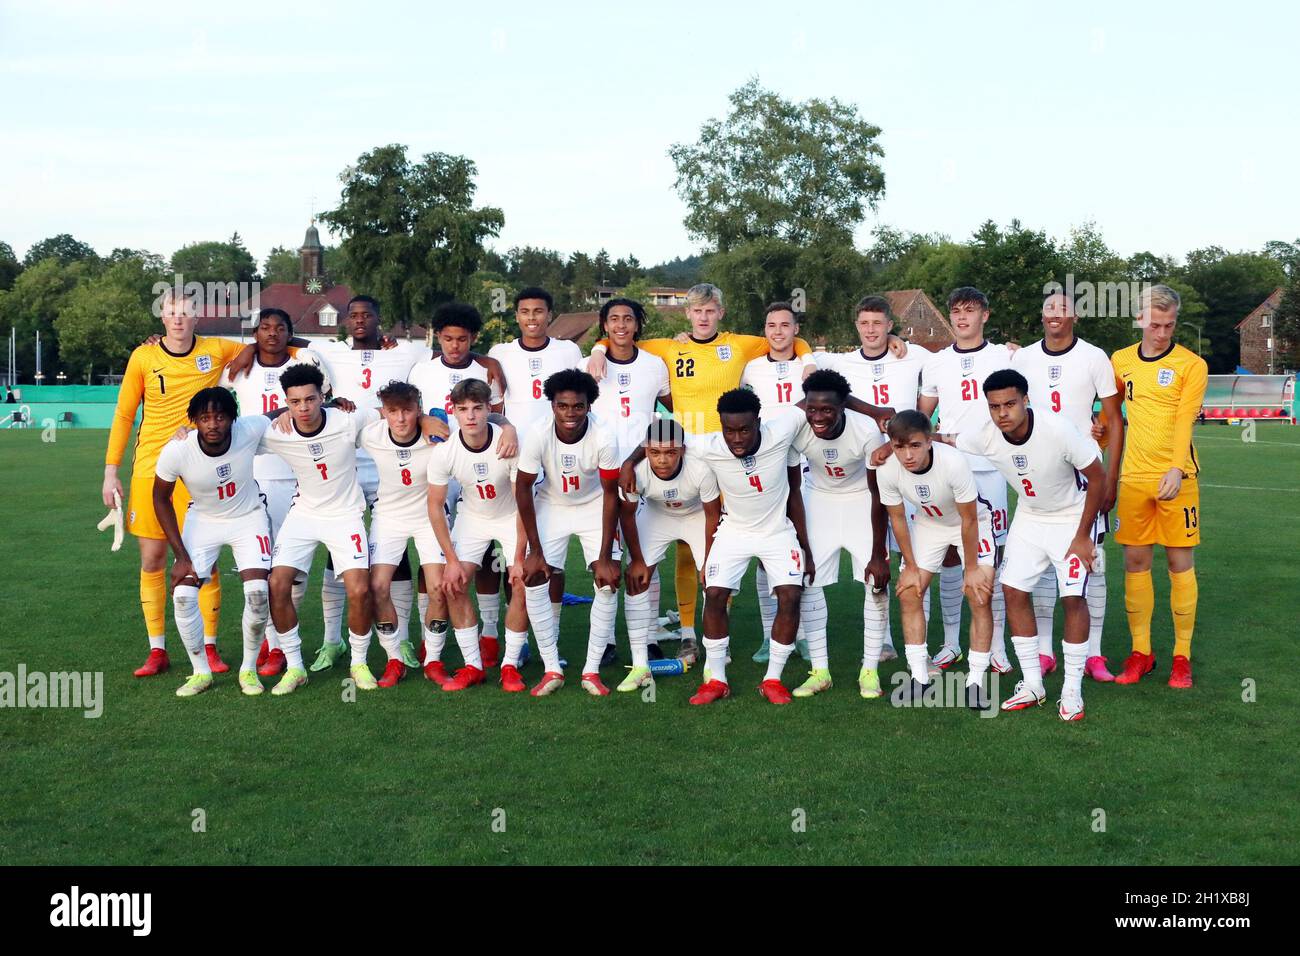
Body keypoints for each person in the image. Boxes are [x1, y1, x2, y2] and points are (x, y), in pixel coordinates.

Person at [587, 283, 895, 665]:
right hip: (689, 453)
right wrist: (598, 348)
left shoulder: (743, 345)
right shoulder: (666, 346)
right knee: (690, 550)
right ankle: (686, 635)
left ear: (721, 312)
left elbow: (787, 338)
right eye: (696, 311)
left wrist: (810, 358)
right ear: (687, 314)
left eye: (710, 310)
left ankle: (763, 636)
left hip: (746, 450)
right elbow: (622, 338)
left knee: (757, 540)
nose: (703, 317)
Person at [103, 290, 276, 677]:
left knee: (205, 562)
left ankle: (209, 646)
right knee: (153, 559)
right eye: (171, 312)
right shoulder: (144, 356)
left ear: (198, 317)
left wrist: (247, 350)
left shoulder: (215, 348)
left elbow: (271, 342)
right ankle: (157, 649)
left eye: (186, 312)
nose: (178, 319)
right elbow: (124, 413)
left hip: (199, 467)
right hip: (152, 467)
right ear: (161, 318)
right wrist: (110, 470)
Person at [942, 369, 1106, 719]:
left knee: (1073, 597)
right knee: (1013, 590)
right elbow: (946, 439)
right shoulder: (986, 436)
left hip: (1071, 517)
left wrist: (1082, 535)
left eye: (1010, 404)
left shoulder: (1057, 429)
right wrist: (890, 444)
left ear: (1026, 400)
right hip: (1031, 516)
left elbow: (1097, 478)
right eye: (994, 406)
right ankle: (1033, 682)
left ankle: (1072, 690)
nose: (1003, 413)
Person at [1011, 292, 1124, 681]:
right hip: (1040, 472)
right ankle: (1044, 651)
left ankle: (1093, 653)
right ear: (1041, 316)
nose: (1054, 315)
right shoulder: (1022, 358)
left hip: (1085, 473)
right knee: (1040, 565)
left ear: (1074, 315)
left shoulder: (1094, 357)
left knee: (1092, 561)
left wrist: (1111, 476)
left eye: (1062, 308)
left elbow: (1114, 419)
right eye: (1048, 308)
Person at [813, 294, 929, 663]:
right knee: (878, 551)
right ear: (856, 326)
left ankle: (903, 641)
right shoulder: (840, 361)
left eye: (878, 323)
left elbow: (955, 357)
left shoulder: (914, 356)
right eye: (864, 323)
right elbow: (800, 353)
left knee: (904, 554)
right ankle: (882, 641)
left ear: (890, 325)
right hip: (861, 468)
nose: (871, 330)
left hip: (906, 463)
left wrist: (904, 344)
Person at [219, 307, 331, 677]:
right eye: (264, 328)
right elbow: (222, 413)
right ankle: (272, 643)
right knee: (258, 568)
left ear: (290, 332)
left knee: (290, 568)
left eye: (279, 328)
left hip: (293, 477)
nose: (271, 334)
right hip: (249, 479)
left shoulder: (306, 363)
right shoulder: (237, 369)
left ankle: (282, 646)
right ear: (255, 333)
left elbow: (325, 398)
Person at [256, 363, 379, 695]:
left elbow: (396, 413)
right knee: (277, 584)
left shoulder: (347, 420)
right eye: (294, 402)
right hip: (304, 515)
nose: (304, 409)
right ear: (287, 402)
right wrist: (184, 431)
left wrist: (424, 419)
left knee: (359, 590)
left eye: (310, 400)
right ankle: (296, 667)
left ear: (323, 396)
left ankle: (358, 663)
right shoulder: (277, 431)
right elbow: (235, 431)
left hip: (345, 515)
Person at [358, 380, 488, 687]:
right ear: (384, 413)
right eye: (393, 412)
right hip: (388, 516)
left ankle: (433, 659)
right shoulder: (370, 434)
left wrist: (506, 428)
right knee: (377, 587)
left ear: (418, 409)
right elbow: (334, 417)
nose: (401, 419)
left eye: (407, 410)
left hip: (430, 517)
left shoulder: (438, 434)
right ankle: (394, 659)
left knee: (439, 588)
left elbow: (481, 424)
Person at [1109, 285, 1207, 689]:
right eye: (1154, 324)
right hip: (1133, 478)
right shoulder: (1121, 360)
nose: (1161, 333)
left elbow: (1185, 419)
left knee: (1179, 564)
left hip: (1176, 479)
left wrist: (1176, 468)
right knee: (1135, 563)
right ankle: (1141, 652)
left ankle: (1181, 657)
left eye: (1168, 325)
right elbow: (1112, 413)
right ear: (1139, 320)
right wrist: (1095, 439)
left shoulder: (1192, 365)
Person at [690, 388, 812, 706]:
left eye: (744, 429)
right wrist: (631, 463)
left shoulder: (780, 430)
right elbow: (662, 435)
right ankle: (716, 679)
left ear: (758, 422)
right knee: (714, 593)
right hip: (733, 531)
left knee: (790, 594)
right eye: (729, 430)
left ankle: (773, 679)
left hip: (777, 532)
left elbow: (818, 398)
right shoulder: (709, 445)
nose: (737, 439)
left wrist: (878, 413)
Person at [152, 388, 273, 698]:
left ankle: (248, 669)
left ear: (232, 418)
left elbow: (280, 413)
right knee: (182, 595)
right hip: (203, 521)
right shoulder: (178, 450)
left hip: (249, 517)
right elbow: (160, 498)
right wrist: (180, 555)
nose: (213, 424)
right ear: (194, 421)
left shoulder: (247, 429)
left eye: (220, 417)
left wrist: (332, 403)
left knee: (259, 593)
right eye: (204, 418)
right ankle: (200, 671)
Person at [917, 287, 1014, 673]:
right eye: (956, 311)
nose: (962, 318)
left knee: (994, 558)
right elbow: (923, 415)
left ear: (985, 316)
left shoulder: (1005, 356)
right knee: (951, 555)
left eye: (970, 311)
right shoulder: (937, 363)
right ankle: (951, 643)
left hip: (992, 470)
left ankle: (996, 648)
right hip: (950, 469)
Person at [406, 302, 507, 666]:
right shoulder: (423, 369)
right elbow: (404, 410)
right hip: (434, 467)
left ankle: (490, 631)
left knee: (486, 554)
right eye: (447, 338)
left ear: (473, 338)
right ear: (438, 338)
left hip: (478, 468)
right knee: (433, 554)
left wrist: (507, 427)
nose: (454, 345)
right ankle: (429, 631)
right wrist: (421, 420)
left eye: (462, 339)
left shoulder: (487, 369)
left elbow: (498, 413)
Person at [873, 411, 994, 708]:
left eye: (914, 445)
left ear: (929, 441)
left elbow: (968, 520)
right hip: (929, 524)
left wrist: (972, 568)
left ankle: (976, 682)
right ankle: (919, 679)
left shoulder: (952, 462)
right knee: (909, 593)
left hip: (971, 523)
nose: (907, 455)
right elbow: (898, 518)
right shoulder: (888, 468)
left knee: (978, 594)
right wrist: (911, 567)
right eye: (899, 447)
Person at [488, 287, 584, 664]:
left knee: (550, 554)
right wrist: (506, 426)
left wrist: (595, 352)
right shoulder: (500, 353)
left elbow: (580, 397)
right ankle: (515, 636)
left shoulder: (567, 351)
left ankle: (551, 637)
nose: (532, 318)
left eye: (539, 311)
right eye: (525, 311)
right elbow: (494, 405)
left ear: (549, 315)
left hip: (558, 457)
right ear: (516, 316)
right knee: (516, 552)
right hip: (513, 459)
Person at [514, 369, 622, 697]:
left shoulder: (604, 435)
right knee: (533, 575)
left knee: (607, 579)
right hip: (552, 504)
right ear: (552, 405)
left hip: (594, 506)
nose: (570, 413)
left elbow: (610, 493)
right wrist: (534, 550)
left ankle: (591, 670)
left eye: (578, 406)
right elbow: (523, 489)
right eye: (563, 406)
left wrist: (604, 556)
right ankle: (551, 669)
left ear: (589, 406)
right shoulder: (537, 433)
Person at [580, 297, 673, 662]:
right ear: (604, 325)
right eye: (613, 319)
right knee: (606, 555)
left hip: (644, 471)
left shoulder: (654, 365)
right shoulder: (586, 365)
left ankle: (647, 635)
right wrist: (596, 351)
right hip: (599, 474)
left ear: (637, 325)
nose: (621, 325)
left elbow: (668, 412)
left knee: (644, 554)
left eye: (628, 319)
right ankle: (606, 642)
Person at [427, 379, 532, 692]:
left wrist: (516, 559)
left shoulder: (509, 442)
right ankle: (473, 665)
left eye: (477, 408)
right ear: (454, 412)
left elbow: (524, 503)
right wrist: (452, 560)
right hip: (472, 518)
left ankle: (510, 666)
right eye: (463, 409)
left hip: (511, 516)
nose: (470, 416)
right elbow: (435, 508)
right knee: (452, 584)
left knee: (522, 583)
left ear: (490, 409)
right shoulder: (445, 452)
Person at [791, 370, 891, 698]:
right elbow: (793, 488)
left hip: (861, 501)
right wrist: (802, 544)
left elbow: (879, 496)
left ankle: (870, 670)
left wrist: (879, 553)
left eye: (828, 410)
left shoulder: (865, 431)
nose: (819, 417)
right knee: (807, 582)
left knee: (876, 585)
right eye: (812, 410)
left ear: (843, 407)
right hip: (818, 499)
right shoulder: (797, 426)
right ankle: (820, 670)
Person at [614, 417, 722, 692]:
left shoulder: (701, 469)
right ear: (646, 449)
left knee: (715, 580)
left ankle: (713, 660)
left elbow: (712, 515)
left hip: (696, 515)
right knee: (637, 578)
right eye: (655, 452)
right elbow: (627, 517)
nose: (662, 460)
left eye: (671, 452)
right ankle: (639, 665)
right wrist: (638, 559)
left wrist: (709, 560)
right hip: (657, 515)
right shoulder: (635, 472)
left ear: (683, 451)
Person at [740, 302, 818, 664]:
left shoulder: (812, 365)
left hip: (807, 464)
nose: (778, 331)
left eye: (785, 325)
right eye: (771, 325)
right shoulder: (752, 368)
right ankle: (767, 635)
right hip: (766, 469)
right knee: (764, 552)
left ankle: (801, 634)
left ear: (795, 329)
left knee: (803, 545)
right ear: (765, 330)